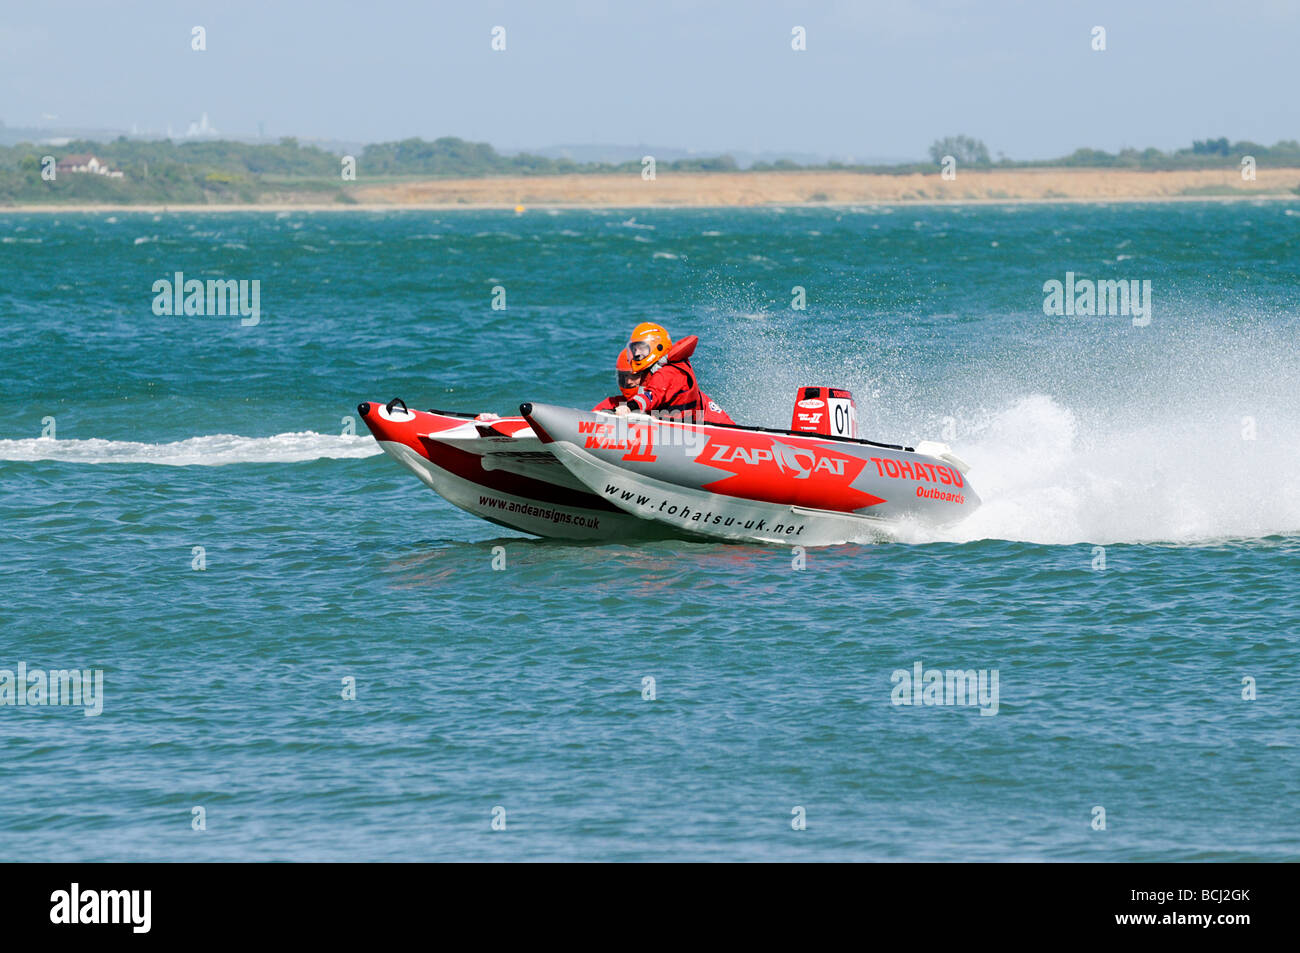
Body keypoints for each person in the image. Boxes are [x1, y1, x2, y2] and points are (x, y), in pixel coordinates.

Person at [593, 323, 734, 425]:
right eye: (634, 350)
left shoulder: (669, 373)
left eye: (640, 349)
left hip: (711, 430)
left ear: (657, 347)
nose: (636, 354)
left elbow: (651, 395)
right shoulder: (656, 372)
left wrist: (630, 407)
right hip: (680, 425)